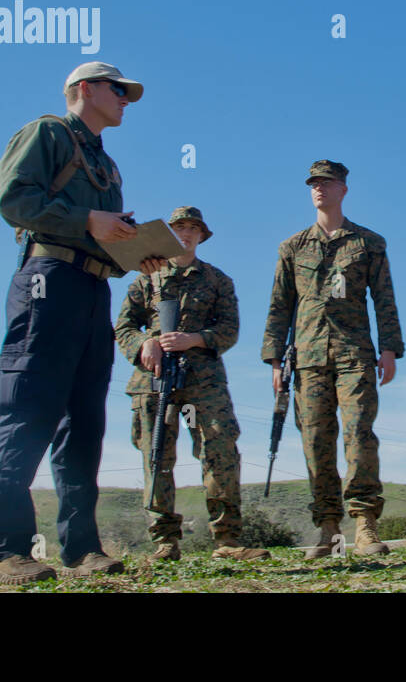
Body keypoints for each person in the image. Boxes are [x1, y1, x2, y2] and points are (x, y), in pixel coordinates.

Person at [0, 61, 165, 584]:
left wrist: (137, 254)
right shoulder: (47, 133)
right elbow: (15, 201)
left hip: (93, 289)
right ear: (83, 89)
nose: (125, 99)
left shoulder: (107, 166)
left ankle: (83, 549)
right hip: (46, 283)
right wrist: (88, 219)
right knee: (27, 412)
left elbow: (103, 236)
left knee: (84, 423)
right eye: (117, 89)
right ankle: (6, 551)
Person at [262, 161, 404, 558]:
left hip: (355, 353)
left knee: (359, 434)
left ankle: (365, 525)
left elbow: (385, 299)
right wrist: (275, 359)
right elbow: (279, 306)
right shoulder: (291, 247)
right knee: (315, 442)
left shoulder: (369, 243)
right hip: (306, 357)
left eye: (327, 183)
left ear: (344, 188)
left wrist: (389, 348)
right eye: (314, 184)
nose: (319, 189)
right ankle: (328, 529)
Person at [116, 206, 268, 561]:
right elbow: (123, 328)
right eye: (179, 227)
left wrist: (195, 339)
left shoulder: (217, 280)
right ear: (168, 233)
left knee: (220, 452)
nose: (186, 233)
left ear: (202, 235)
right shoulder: (145, 279)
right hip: (153, 379)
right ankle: (165, 543)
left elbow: (229, 330)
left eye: (193, 228)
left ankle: (228, 540)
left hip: (204, 380)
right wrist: (145, 343)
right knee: (156, 456)